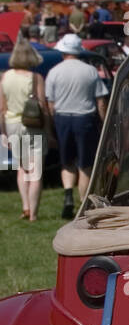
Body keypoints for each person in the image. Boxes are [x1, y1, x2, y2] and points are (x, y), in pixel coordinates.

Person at [45, 32, 108, 218]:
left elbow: (51, 103)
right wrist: (104, 122)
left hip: (63, 118)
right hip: (84, 119)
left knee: (67, 161)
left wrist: (52, 122)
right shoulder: (89, 71)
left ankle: (68, 195)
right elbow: (101, 101)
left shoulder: (54, 71)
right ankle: (83, 202)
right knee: (85, 164)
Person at [0, 36, 49, 221]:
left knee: (22, 168)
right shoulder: (36, 78)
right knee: (35, 171)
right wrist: (49, 132)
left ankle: (25, 207)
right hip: (33, 125)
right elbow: (43, 107)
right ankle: (33, 215)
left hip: (11, 125)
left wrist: (3, 133)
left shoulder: (5, 77)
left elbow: (2, 108)